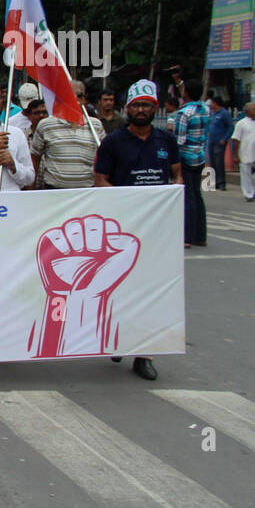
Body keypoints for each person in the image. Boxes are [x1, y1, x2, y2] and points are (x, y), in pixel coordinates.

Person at [94, 80, 182, 381]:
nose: (141, 110)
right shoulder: (113, 142)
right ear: (127, 109)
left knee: (153, 290)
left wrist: (175, 190)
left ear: (154, 108)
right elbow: (100, 180)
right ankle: (119, 338)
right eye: (136, 105)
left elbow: (176, 173)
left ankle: (144, 354)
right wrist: (124, 202)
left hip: (158, 231)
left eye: (146, 105)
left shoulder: (166, 141)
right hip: (123, 229)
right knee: (120, 288)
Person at [30, 80, 103, 190]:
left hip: (87, 193)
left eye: (79, 96)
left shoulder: (95, 125)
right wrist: (31, 190)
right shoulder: (46, 125)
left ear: (84, 100)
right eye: (69, 95)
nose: (75, 99)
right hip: (55, 191)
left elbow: (104, 158)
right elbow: (35, 158)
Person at [172, 78, 210, 247]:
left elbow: (179, 139)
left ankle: (186, 236)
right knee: (197, 195)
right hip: (199, 155)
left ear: (186, 92)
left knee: (187, 197)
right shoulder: (205, 109)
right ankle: (200, 235)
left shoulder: (184, 113)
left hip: (186, 156)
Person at [232, 102, 255, 200]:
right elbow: (236, 139)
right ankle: (248, 194)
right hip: (245, 153)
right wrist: (235, 155)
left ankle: (253, 190)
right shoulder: (241, 123)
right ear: (247, 111)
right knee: (245, 174)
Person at [207, 96, 234, 191]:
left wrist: (224, 138)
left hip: (220, 141)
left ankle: (221, 183)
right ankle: (214, 183)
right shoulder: (213, 114)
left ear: (216, 103)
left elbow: (231, 127)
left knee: (219, 163)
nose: (210, 104)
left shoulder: (224, 113)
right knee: (212, 162)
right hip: (211, 141)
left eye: (212, 102)